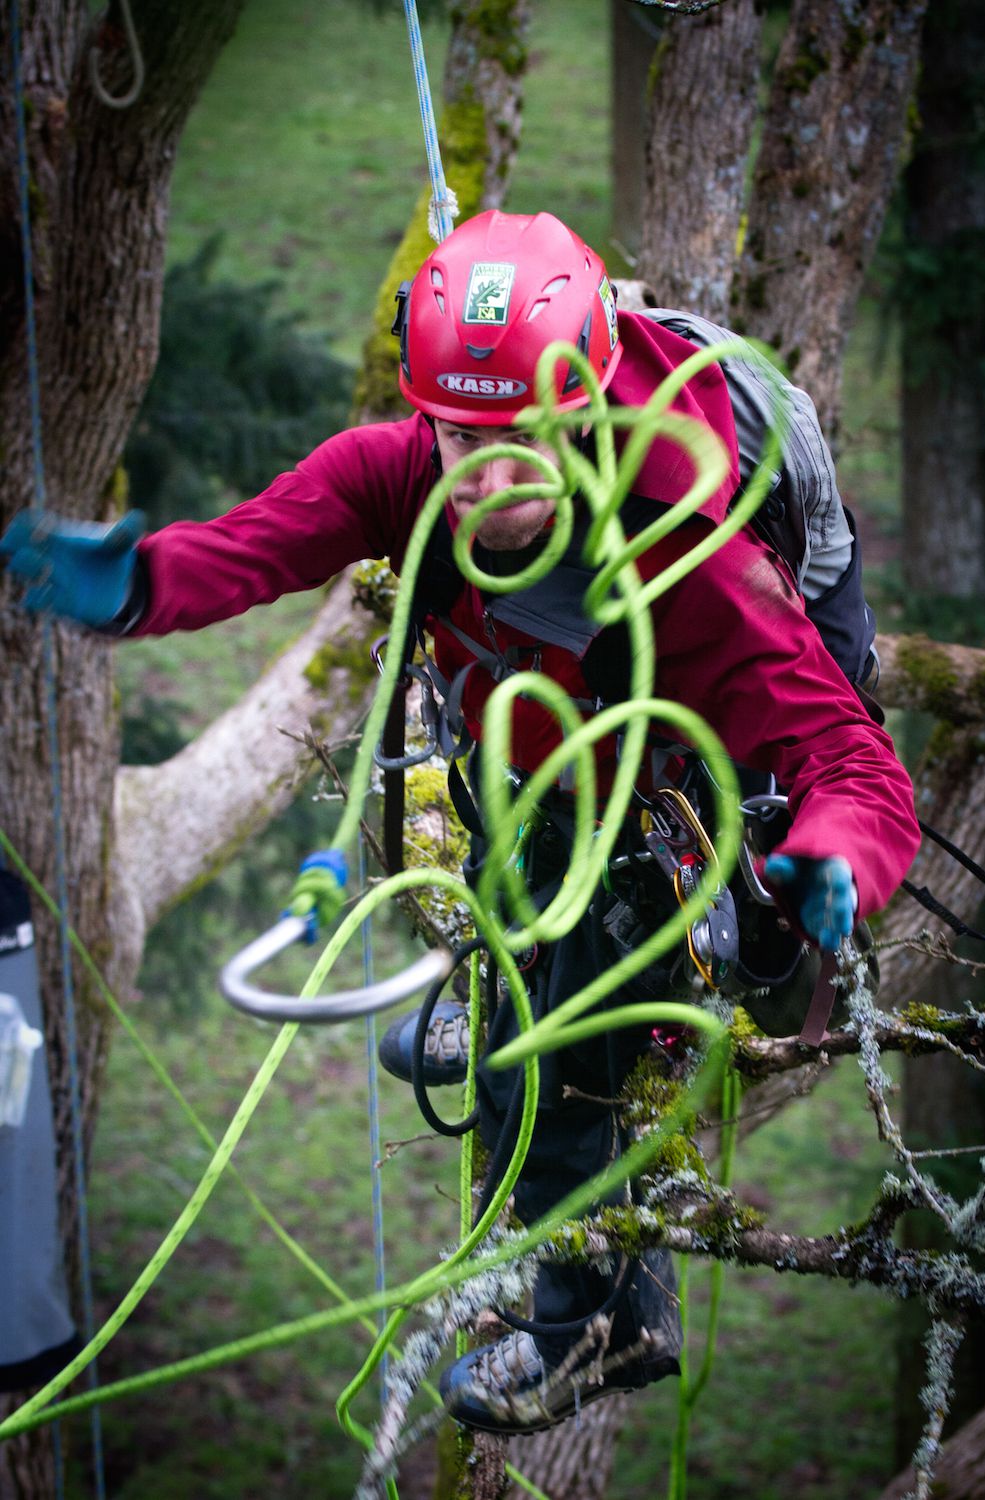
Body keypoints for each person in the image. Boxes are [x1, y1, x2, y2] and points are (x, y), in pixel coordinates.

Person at [0, 210, 920, 1435]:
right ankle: (501, 987)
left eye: (523, 444)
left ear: (586, 410)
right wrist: (135, 589)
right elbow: (251, 549)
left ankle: (601, 1315)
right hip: (553, 706)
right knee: (511, 786)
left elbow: (853, 763)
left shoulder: (686, 550)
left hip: (697, 711)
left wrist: (832, 857)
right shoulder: (405, 471)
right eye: (463, 441)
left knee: (599, 939)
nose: (488, 482)